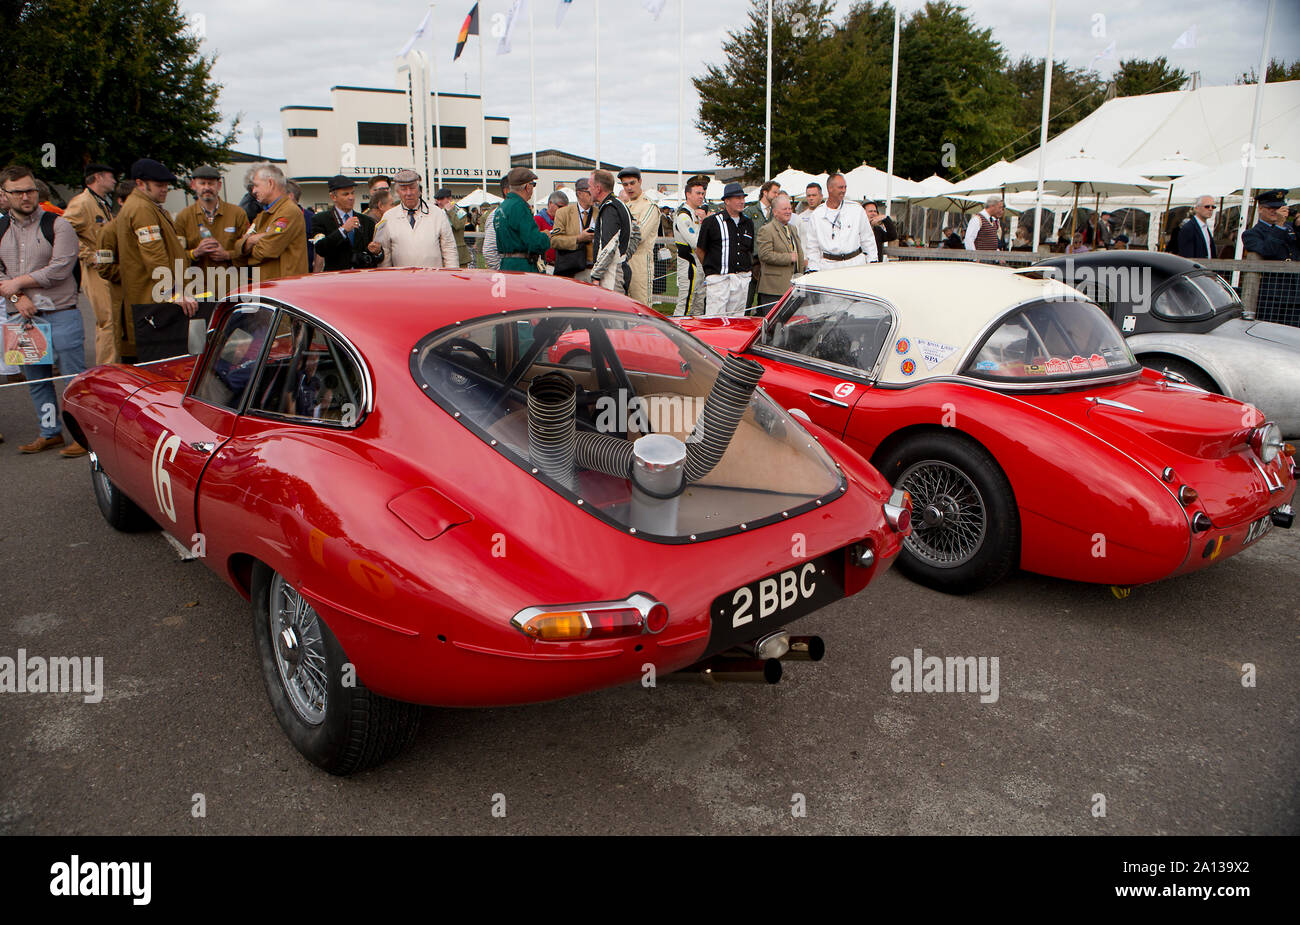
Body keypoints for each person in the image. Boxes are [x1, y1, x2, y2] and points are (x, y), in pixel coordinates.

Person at [0, 165, 87, 456]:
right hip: (22, 318)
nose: (26, 196)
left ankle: (82, 437)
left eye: (30, 190)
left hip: (62, 314)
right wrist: (17, 298)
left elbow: (60, 269)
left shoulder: (58, 224)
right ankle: (49, 432)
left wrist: (18, 283)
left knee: (72, 380)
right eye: (18, 192)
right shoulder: (0, 230)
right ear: (4, 195)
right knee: (37, 381)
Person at [111, 158, 197, 361]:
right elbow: (154, 254)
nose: (165, 189)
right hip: (155, 302)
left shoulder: (145, 205)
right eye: (159, 185)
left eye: (166, 185)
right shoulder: (142, 208)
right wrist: (173, 291)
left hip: (153, 298)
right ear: (140, 183)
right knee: (165, 364)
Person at [62, 162, 119, 364]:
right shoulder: (82, 202)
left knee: (114, 319)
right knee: (108, 321)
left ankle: (115, 365)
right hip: (96, 271)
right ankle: (107, 369)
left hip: (108, 269)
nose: (114, 180)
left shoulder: (101, 202)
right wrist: (88, 255)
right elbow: (62, 231)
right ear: (98, 177)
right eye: (111, 176)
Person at [173, 165, 250, 305]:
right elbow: (176, 257)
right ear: (193, 185)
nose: (206, 187)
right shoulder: (183, 217)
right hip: (198, 291)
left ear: (219, 185)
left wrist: (227, 255)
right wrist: (195, 253)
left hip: (231, 290)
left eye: (211, 183)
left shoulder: (237, 214)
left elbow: (249, 252)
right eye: (202, 183)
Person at [369, 168, 457, 269]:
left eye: (412, 188)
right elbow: (385, 253)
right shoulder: (388, 217)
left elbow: (449, 250)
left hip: (433, 279)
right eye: (404, 189)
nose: (408, 193)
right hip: (402, 281)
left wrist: (451, 275)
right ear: (398, 192)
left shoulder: (437, 214)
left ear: (419, 190)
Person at [236, 163, 307, 280]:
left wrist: (247, 248)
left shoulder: (288, 211)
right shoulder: (265, 213)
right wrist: (252, 240)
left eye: (256, 186)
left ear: (270, 183)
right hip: (269, 286)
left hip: (283, 287)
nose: (253, 191)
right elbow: (238, 247)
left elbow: (266, 250)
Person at [695, 182, 754, 315]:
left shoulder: (748, 223)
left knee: (737, 320)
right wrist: (712, 269)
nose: (741, 201)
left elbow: (748, 249)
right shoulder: (712, 222)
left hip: (741, 279)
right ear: (727, 201)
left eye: (743, 198)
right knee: (715, 320)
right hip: (718, 280)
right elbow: (700, 250)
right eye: (737, 198)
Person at [1242, 189, 1300, 324]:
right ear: (1260, 209)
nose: (1276, 211)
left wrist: (1298, 225)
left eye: (1279, 208)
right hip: (1273, 296)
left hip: (1295, 294)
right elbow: (1268, 250)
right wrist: (1279, 225)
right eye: (1272, 208)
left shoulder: (1290, 228)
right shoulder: (1252, 234)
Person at [803, 172, 876, 271]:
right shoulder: (817, 215)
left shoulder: (856, 210)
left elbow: (868, 238)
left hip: (855, 264)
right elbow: (812, 246)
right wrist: (813, 268)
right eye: (840, 187)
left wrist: (872, 262)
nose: (844, 191)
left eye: (845, 187)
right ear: (830, 188)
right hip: (829, 266)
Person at [310, 175, 378, 272]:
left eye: (352, 193)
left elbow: (377, 256)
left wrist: (377, 251)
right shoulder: (320, 219)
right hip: (336, 278)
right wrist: (343, 230)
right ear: (333, 197)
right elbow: (321, 248)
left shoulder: (367, 221)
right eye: (345, 194)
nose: (351, 197)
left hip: (362, 277)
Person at [493, 167, 552, 273]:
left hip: (506, 265)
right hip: (522, 267)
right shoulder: (520, 207)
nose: (533, 188)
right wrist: (545, 237)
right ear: (527, 187)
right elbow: (534, 242)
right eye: (533, 184)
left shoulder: (501, 207)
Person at [617, 167, 660, 305]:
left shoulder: (649, 206)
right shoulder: (626, 206)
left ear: (640, 182)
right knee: (623, 306)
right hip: (623, 261)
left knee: (641, 307)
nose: (629, 187)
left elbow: (639, 236)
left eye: (632, 183)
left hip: (640, 262)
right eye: (625, 184)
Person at [589, 169, 636, 292]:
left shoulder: (609, 208)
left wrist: (596, 275)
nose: (589, 190)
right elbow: (636, 234)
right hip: (620, 268)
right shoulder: (620, 204)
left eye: (590, 186)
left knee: (610, 310)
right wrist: (624, 256)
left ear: (598, 188)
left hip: (612, 274)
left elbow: (608, 246)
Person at [755, 192, 804, 304]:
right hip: (774, 289)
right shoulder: (766, 230)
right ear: (775, 212)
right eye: (784, 209)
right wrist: (788, 258)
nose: (788, 211)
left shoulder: (793, 228)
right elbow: (764, 255)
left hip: (794, 286)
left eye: (789, 208)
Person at [673, 174, 709, 315]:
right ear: (688, 194)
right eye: (698, 193)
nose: (701, 196)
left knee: (698, 306)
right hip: (688, 265)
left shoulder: (696, 214)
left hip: (699, 265)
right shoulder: (683, 215)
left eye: (702, 193)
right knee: (685, 305)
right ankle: (675, 333)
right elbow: (696, 242)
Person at [549, 177, 594, 280]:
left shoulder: (600, 212)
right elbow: (555, 241)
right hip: (574, 270)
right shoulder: (563, 213)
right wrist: (578, 239)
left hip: (595, 271)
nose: (593, 196)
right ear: (579, 193)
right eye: (589, 193)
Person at [744, 180, 780, 304]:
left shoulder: (776, 214)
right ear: (765, 192)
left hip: (768, 262)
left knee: (764, 300)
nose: (777, 195)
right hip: (752, 261)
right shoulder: (750, 211)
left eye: (778, 193)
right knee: (747, 298)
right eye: (774, 192)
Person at [435, 187, 471, 267]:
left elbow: (458, 225)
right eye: (437, 199)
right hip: (442, 254)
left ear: (449, 199)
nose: (438, 202)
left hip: (459, 254)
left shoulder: (460, 211)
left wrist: (450, 211)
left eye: (441, 199)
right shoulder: (438, 212)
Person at [1175, 195, 1216, 259]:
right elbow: (1187, 257)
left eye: (1213, 207)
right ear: (1197, 208)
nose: (1210, 209)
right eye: (1207, 206)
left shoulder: (1205, 228)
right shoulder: (1188, 229)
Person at [535, 190, 566, 269]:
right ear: (550, 203)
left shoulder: (564, 221)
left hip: (561, 264)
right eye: (560, 207)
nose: (563, 210)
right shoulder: (538, 219)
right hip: (546, 265)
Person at [796, 181, 823, 254]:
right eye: (809, 195)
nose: (811, 198)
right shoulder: (800, 217)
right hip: (807, 261)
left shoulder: (827, 215)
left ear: (821, 196)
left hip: (825, 261)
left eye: (814, 195)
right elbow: (797, 242)